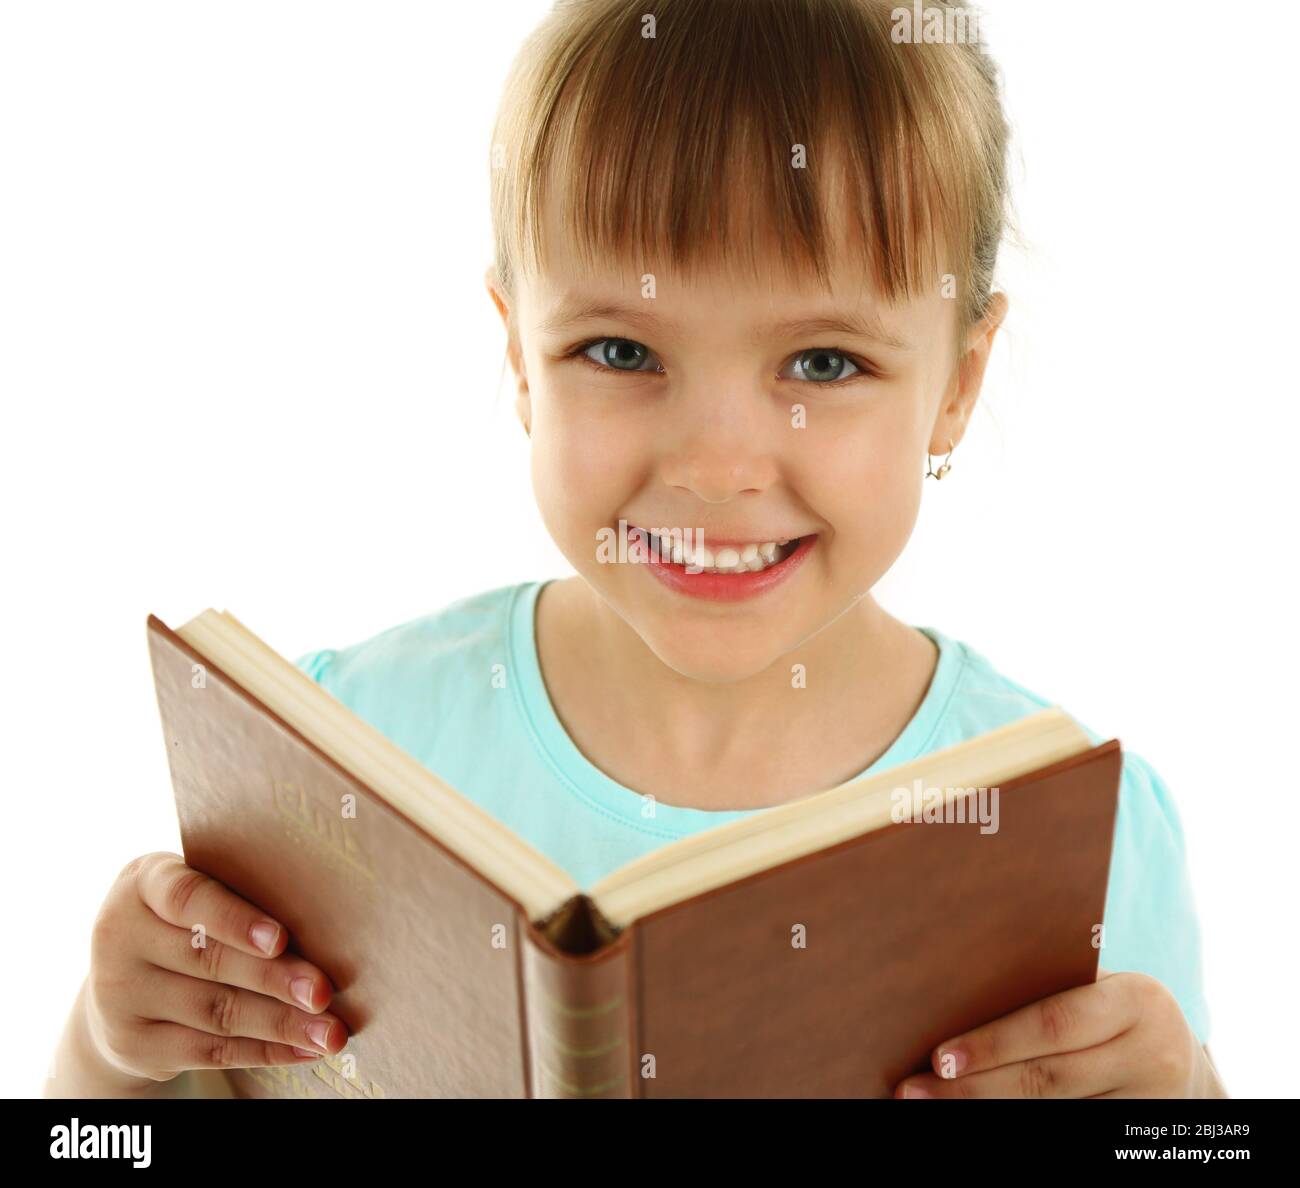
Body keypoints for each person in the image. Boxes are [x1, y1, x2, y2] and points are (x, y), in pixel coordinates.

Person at [46, 0, 1225, 1099]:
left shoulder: (1079, 838)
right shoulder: (344, 760)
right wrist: (110, 1044)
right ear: (519, 356)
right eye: (619, 351)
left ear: (959, 383)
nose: (716, 466)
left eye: (823, 365)